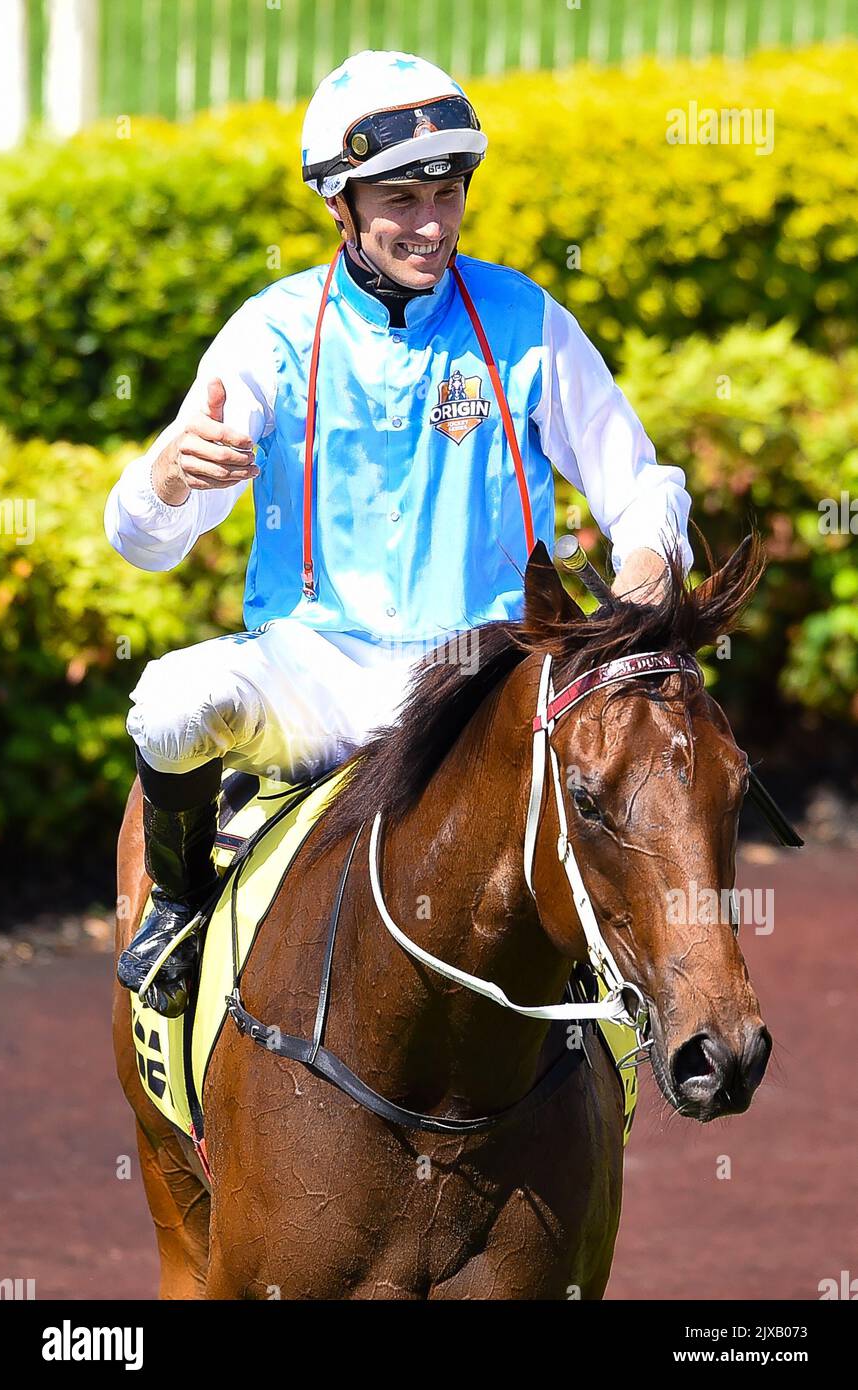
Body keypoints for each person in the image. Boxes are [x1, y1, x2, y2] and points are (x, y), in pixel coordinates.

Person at [106, 49, 694, 1019]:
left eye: (448, 192)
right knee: (169, 703)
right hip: (316, 670)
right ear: (339, 203)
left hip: (486, 684)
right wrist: (166, 477)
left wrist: (640, 563)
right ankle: (175, 903)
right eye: (401, 198)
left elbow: (640, 486)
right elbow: (148, 540)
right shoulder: (270, 334)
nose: (431, 223)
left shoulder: (526, 321)